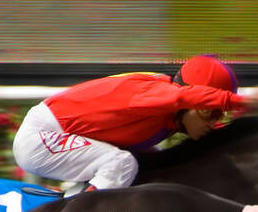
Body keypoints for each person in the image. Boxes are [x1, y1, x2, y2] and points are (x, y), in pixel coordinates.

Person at [13, 55, 244, 192]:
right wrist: (242, 101)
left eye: (219, 115)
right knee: (122, 163)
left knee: (153, 164)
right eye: (209, 112)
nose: (214, 123)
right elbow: (179, 97)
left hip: (61, 135)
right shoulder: (156, 96)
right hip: (41, 138)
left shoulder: (167, 112)